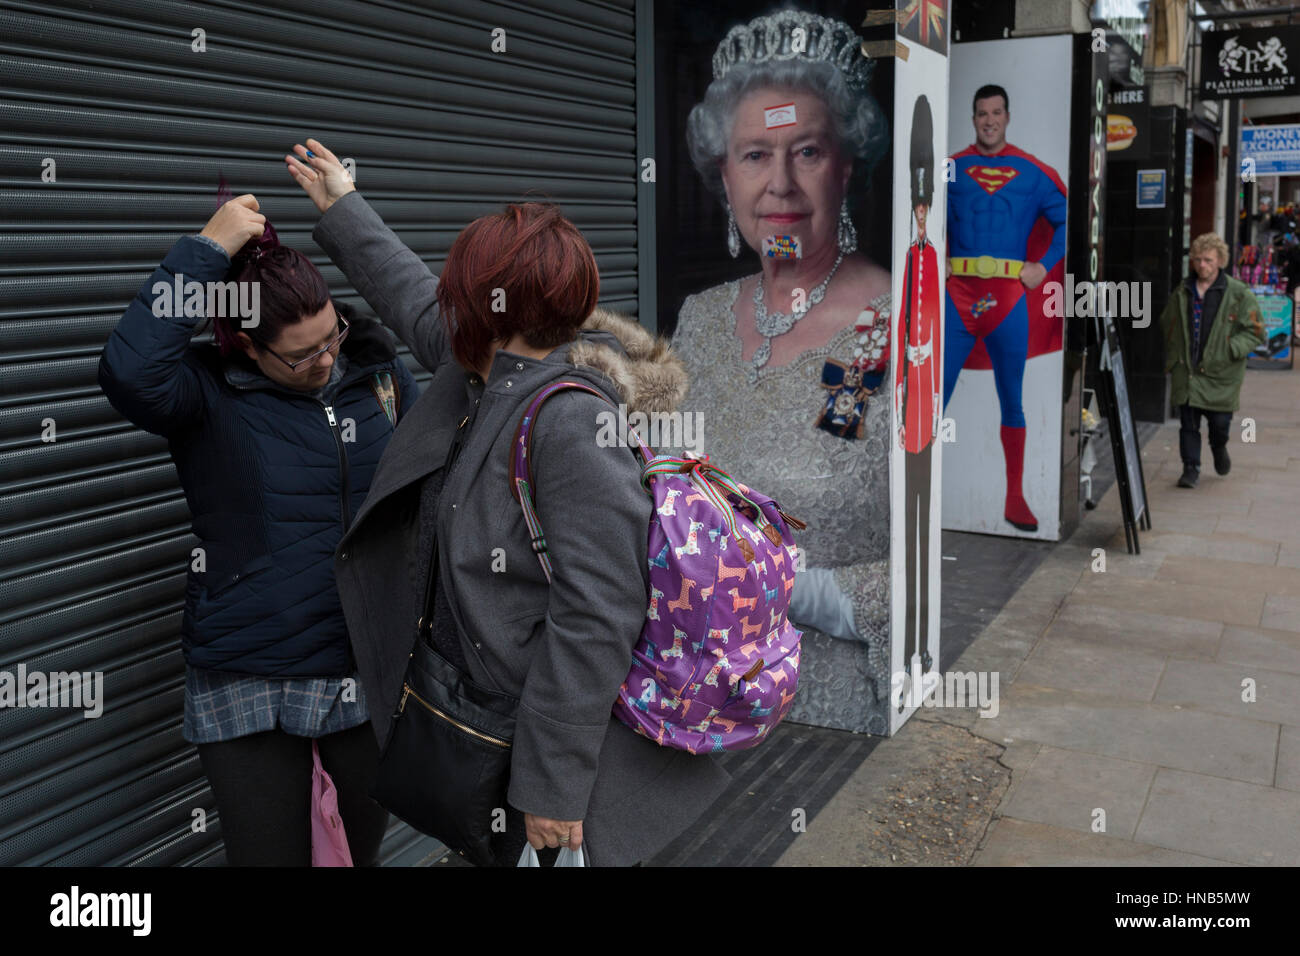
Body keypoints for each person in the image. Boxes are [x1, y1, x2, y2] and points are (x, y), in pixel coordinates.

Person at [285, 139, 731, 866]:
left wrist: (552, 786)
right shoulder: (487, 365)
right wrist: (342, 205)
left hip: (552, 760)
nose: (448, 305)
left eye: (461, 290)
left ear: (492, 308)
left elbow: (598, 610)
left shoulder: (570, 421)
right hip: (486, 729)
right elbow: (411, 299)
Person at [98, 191, 419, 866]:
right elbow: (127, 372)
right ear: (245, 343)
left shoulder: (379, 376)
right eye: (302, 356)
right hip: (248, 670)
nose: (327, 360)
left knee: (354, 856)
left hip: (363, 663)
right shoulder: (205, 391)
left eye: (331, 336)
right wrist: (205, 252)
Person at [675, 10, 894, 734]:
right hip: (686, 708)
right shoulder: (699, 320)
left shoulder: (890, 329)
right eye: (754, 156)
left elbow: (936, 570)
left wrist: (791, 591)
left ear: (848, 164)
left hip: (826, 731)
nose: (780, 186)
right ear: (724, 177)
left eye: (806, 151)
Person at [945, 83, 1067, 533]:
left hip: (1009, 298)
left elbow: (1070, 221)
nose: (989, 120)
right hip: (957, 295)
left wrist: (1045, 264)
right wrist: (930, 256)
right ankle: (914, 485)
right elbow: (919, 212)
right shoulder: (951, 168)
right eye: (981, 113)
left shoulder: (1032, 172)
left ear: (1007, 116)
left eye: (996, 112)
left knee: (1011, 400)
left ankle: (1014, 497)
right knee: (932, 398)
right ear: (973, 117)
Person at [1159, 232, 1265, 489]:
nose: (1202, 265)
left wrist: (1230, 349)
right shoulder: (1183, 291)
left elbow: (1256, 331)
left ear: (1220, 260)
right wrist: (1174, 357)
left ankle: (1219, 448)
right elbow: (1167, 323)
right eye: (1197, 260)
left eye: (1207, 260)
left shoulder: (1239, 294)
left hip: (1222, 374)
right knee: (1188, 424)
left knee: (1219, 424)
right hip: (1188, 369)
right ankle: (1190, 468)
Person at [895, 95, 941, 695]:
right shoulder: (911, 259)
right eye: (919, 207)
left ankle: (923, 647)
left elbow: (932, 329)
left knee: (924, 526)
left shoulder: (930, 259)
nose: (923, 216)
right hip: (908, 410)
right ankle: (911, 647)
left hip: (927, 411)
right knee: (910, 527)